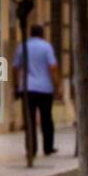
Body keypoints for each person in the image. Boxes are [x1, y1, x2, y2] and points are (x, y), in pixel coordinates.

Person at [14, 23, 60, 156]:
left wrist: (17, 85)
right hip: (45, 88)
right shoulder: (47, 47)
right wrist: (57, 85)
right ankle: (48, 147)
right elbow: (53, 67)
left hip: (27, 88)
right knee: (47, 118)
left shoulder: (22, 46)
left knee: (29, 120)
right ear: (42, 34)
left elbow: (15, 68)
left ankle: (31, 148)